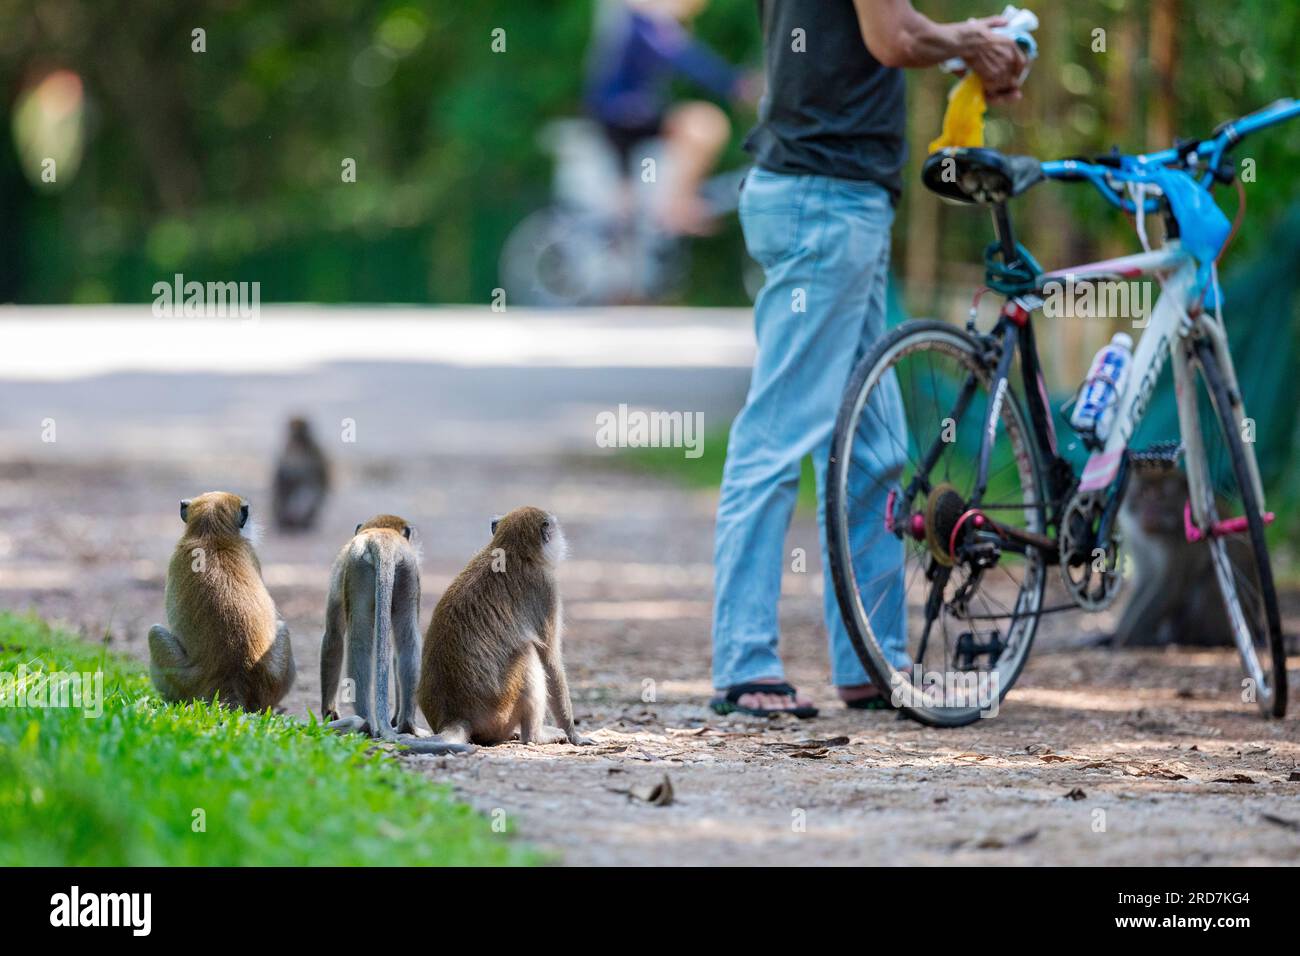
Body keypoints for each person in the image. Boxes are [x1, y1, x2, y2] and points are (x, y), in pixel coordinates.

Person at [709, 0, 1025, 717]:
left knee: (874, 450)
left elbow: (861, 37)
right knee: (778, 433)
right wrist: (970, 41)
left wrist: (960, 50)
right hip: (827, 198)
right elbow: (891, 37)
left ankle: (872, 662)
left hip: (829, 194)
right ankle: (743, 663)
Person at [585, 0, 754, 235]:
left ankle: (660, 207)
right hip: (623, 115)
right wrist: (734, 85)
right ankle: (676, 204)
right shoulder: (645, 22)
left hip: (623, 116)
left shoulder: (641, 22)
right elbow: (688, 59)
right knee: (705, 126)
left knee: (628, 213)